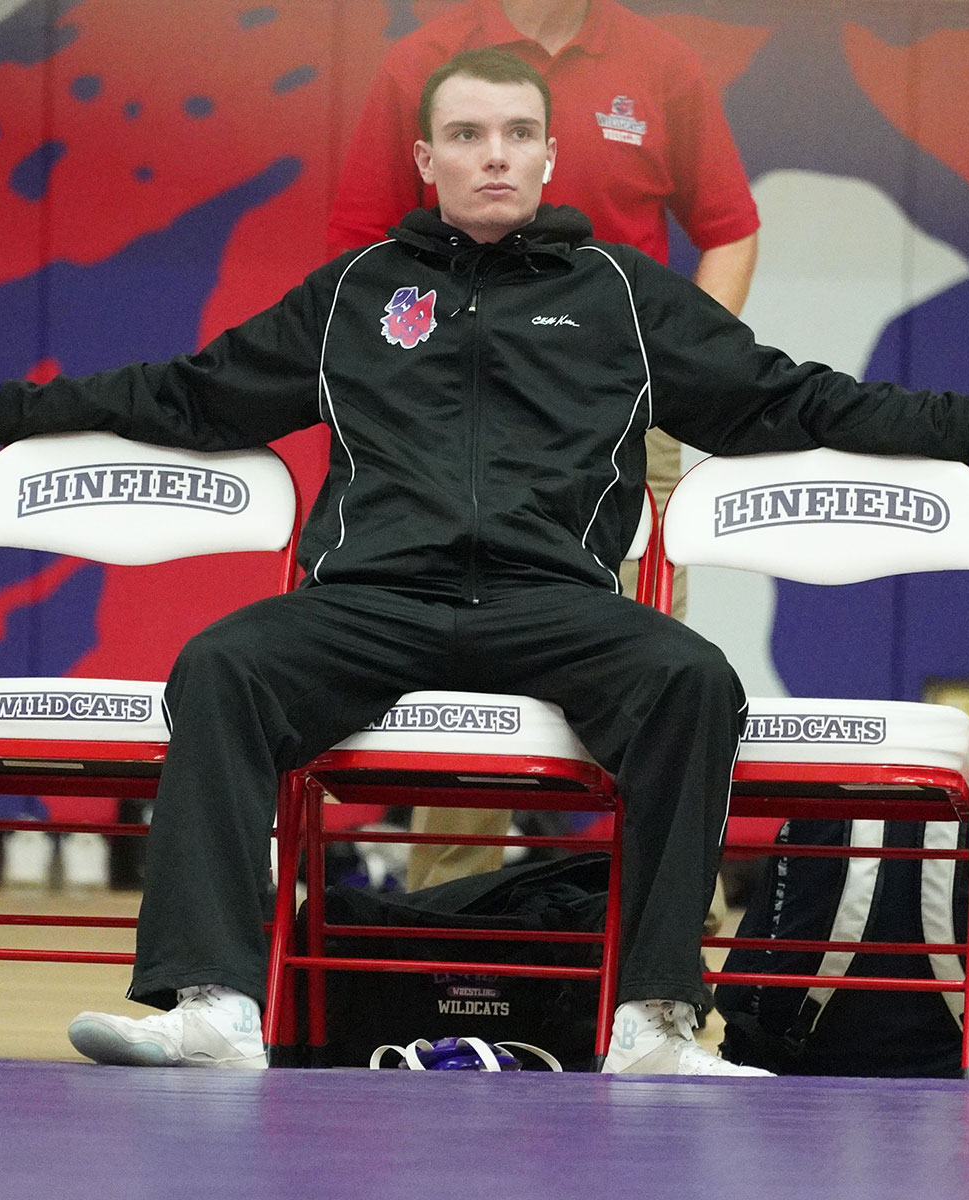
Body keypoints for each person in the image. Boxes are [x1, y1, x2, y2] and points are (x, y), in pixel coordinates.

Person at [0, 50, 969, 1076]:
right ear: (425, 162)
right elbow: (185, 394)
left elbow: (797, 400)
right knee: (221, 665)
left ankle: (652, 1022)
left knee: (692, 678)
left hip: (552, 604)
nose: (494, 156)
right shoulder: (358, 290)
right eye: (466, 137)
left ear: (549, 154)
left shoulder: (625, 292)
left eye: (516, 135)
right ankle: (215, 1007)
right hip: (372, 601)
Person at [330, 0, 762, 888]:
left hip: (620, 415)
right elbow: (357, 245)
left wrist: (675, 362)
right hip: (458, 413)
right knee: (460, 645)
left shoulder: (663, 61)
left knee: (654, 664)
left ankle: (666, 924)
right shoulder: (425, 60)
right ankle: (449, 909)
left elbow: (728, 229)